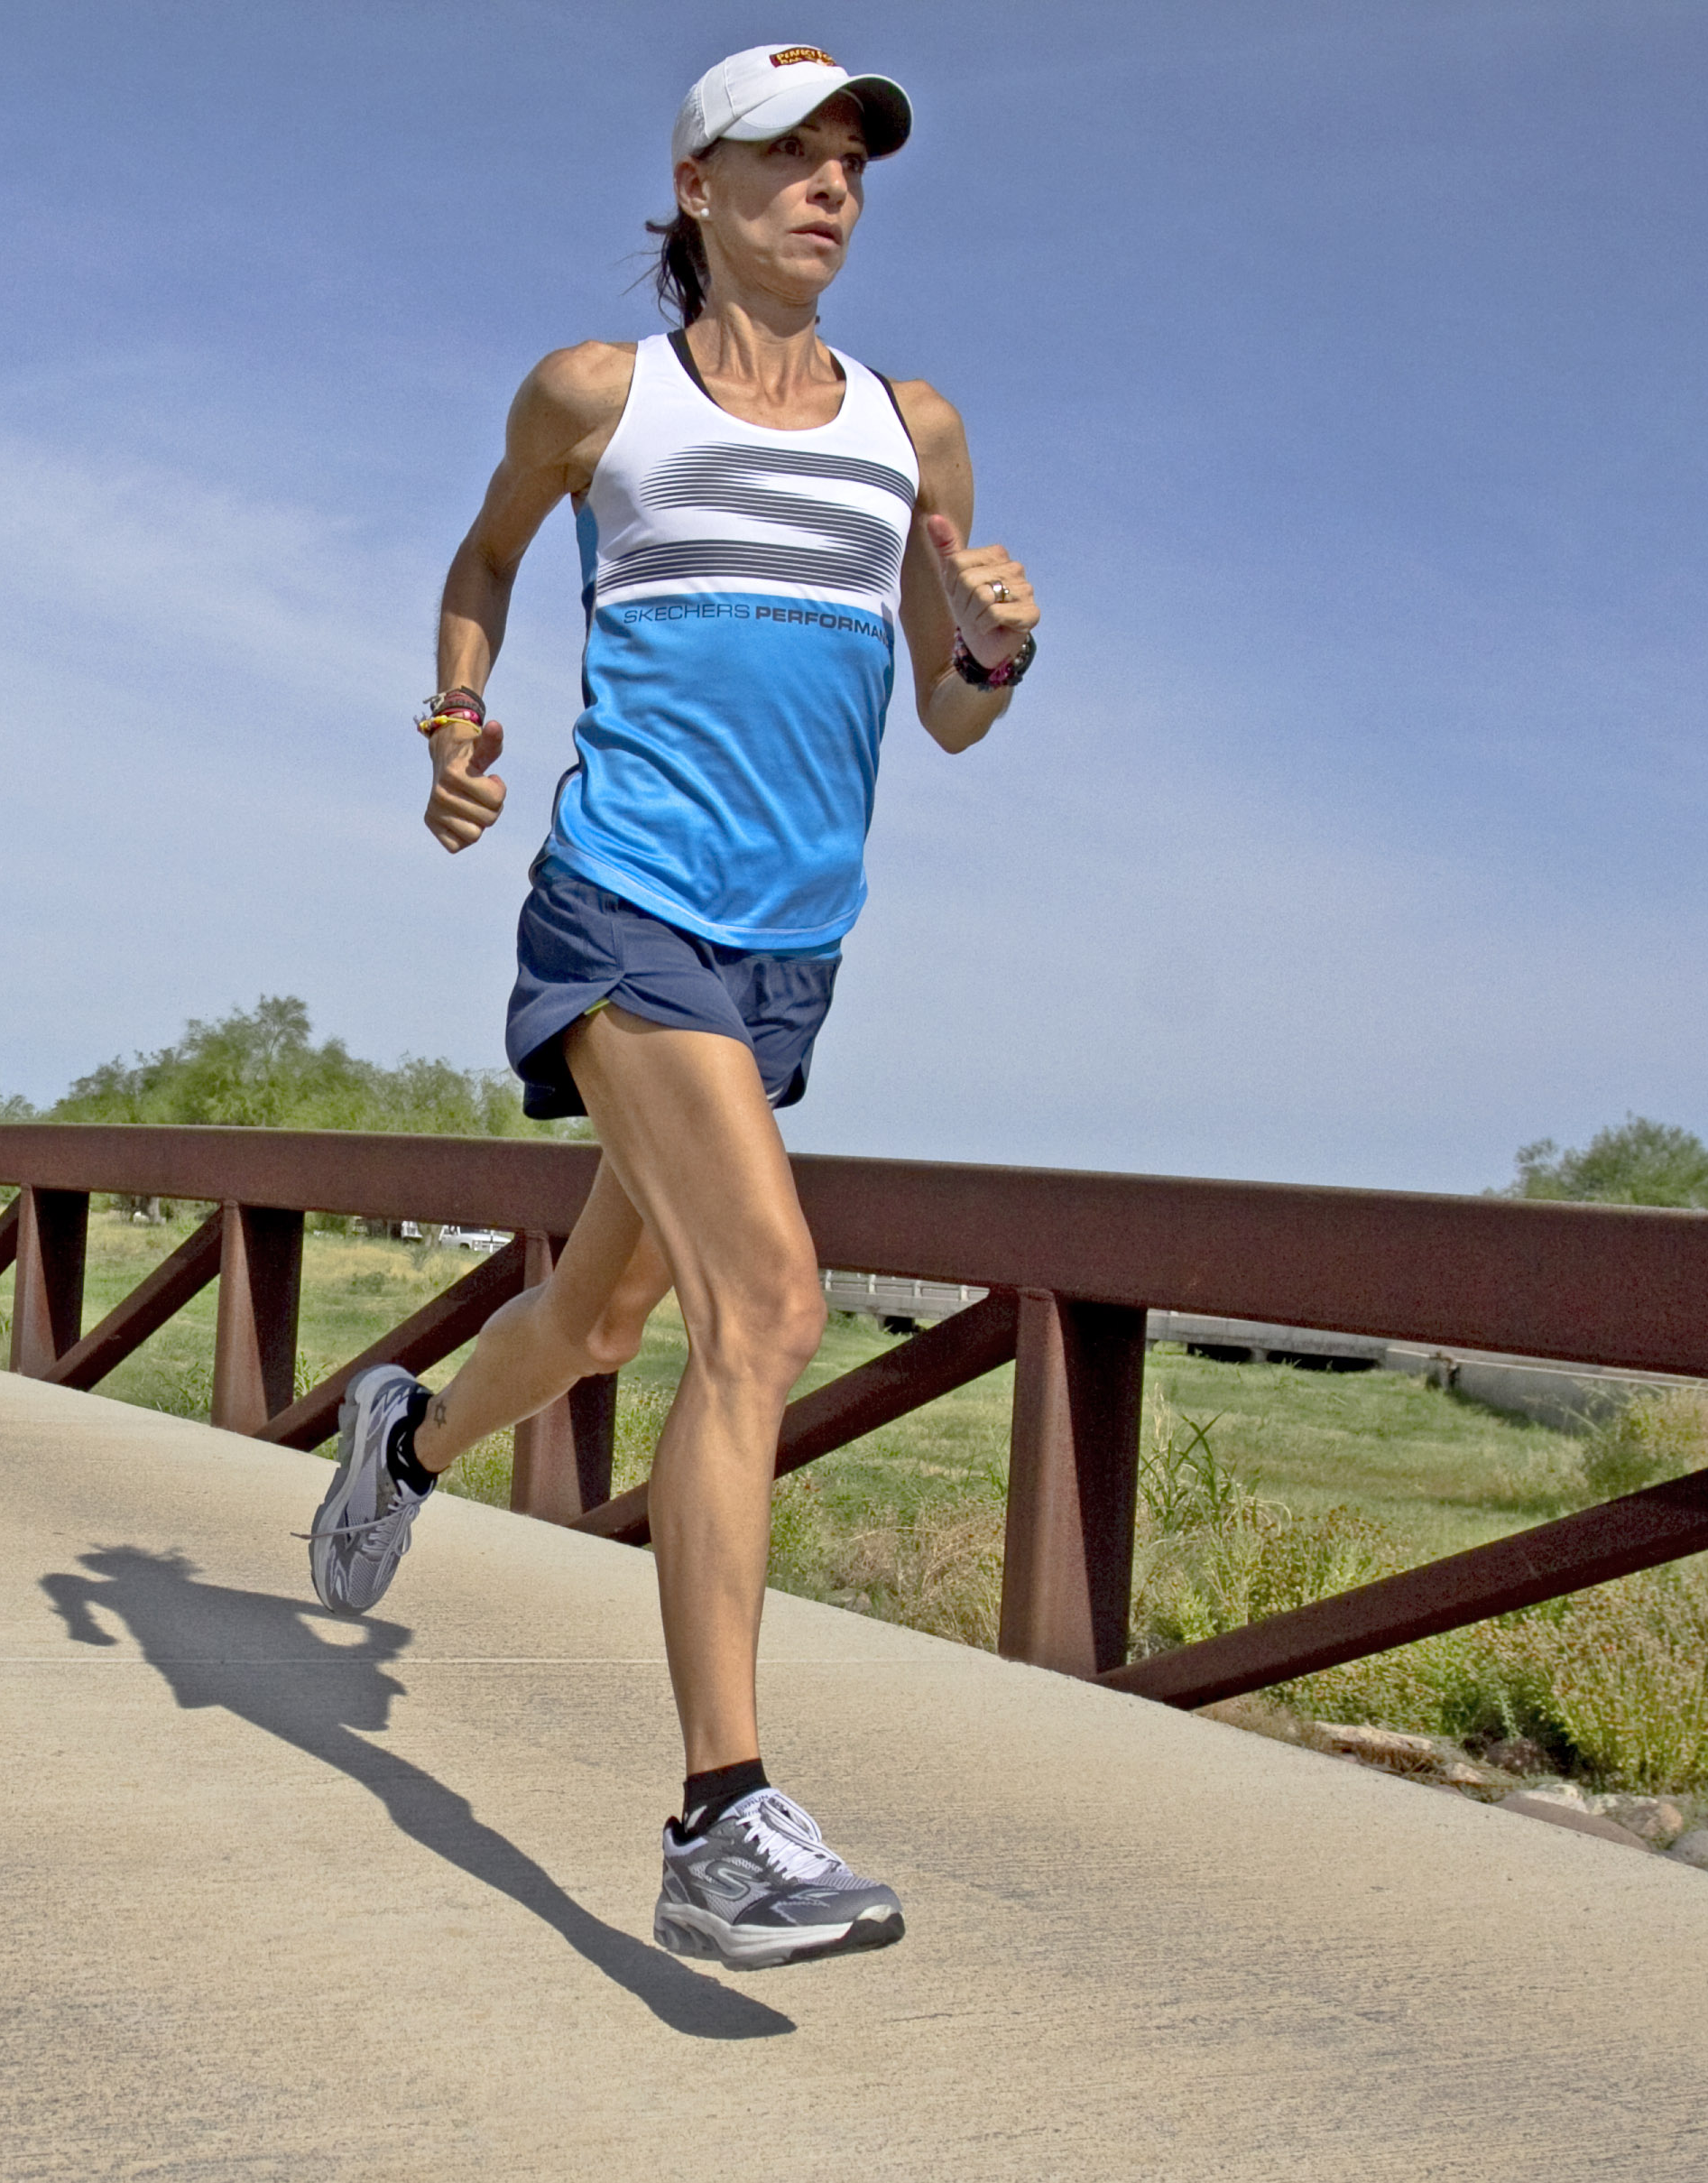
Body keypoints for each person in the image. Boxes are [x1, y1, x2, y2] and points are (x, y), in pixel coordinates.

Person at [302, 42, 1039, 1972]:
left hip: (793, 944)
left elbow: (949, 717)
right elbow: (482, 564)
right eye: (789, 157)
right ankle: (723, 1820)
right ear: (696, 186)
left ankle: (405, 1439)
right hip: (624, 900)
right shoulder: (599, 397)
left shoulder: (916, 434)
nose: (831, 187)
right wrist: (461, 730)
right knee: (766, 1306)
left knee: (608, 1311)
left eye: (853, 162)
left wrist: (1002, 656)